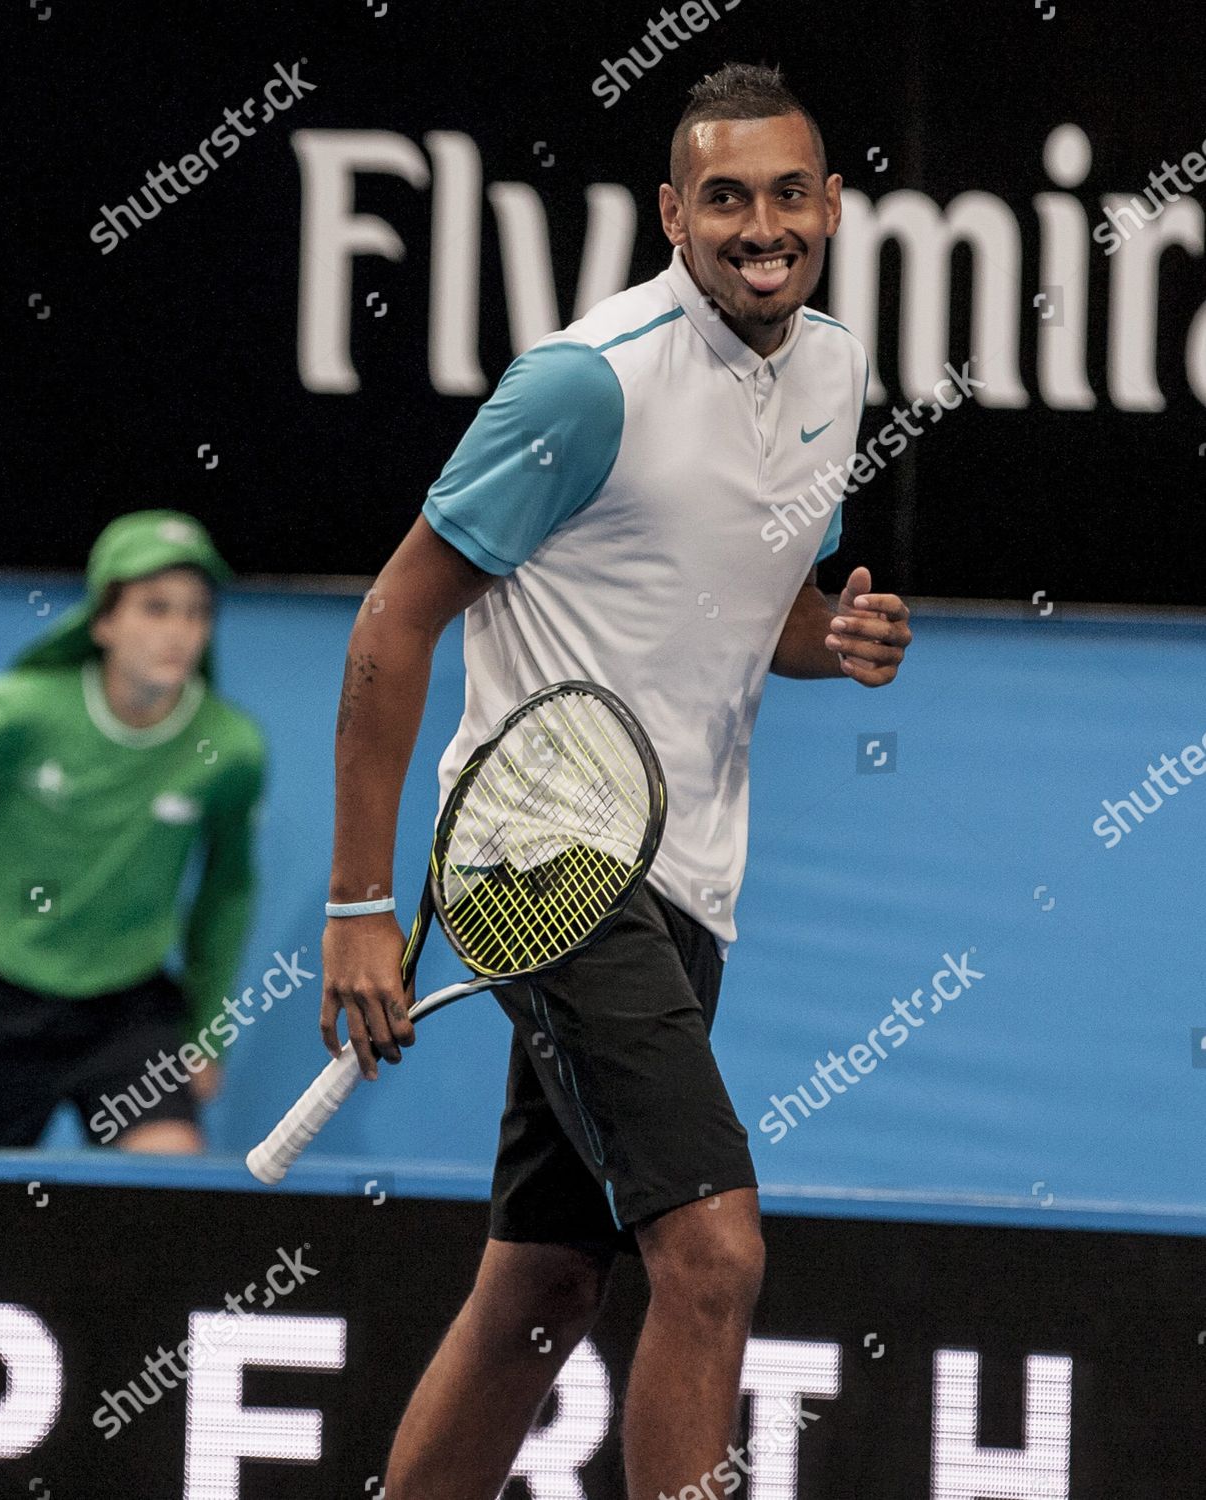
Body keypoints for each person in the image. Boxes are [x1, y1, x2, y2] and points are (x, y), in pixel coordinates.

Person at [319, 62, 912, 1498]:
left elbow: (746, 614)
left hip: (685, 878)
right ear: (671, 214)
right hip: (545, 852)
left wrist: (832, 638)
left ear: (830, 206)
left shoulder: (832, 373)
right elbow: (397, 616)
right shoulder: (586, 385)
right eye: (724, 197)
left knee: (542, 1289)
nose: (759, 224)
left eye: (787, 193)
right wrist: (357, 902)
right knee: (712, 1258)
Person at [0, 510, 266, 1152]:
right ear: (104, 621)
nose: (179, 632)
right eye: (155, 608)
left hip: (128, 1014)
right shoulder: (23, 707)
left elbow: (228, 891)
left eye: (197, 613)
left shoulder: (231, 750)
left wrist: (207, 1035)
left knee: (174, 1202)